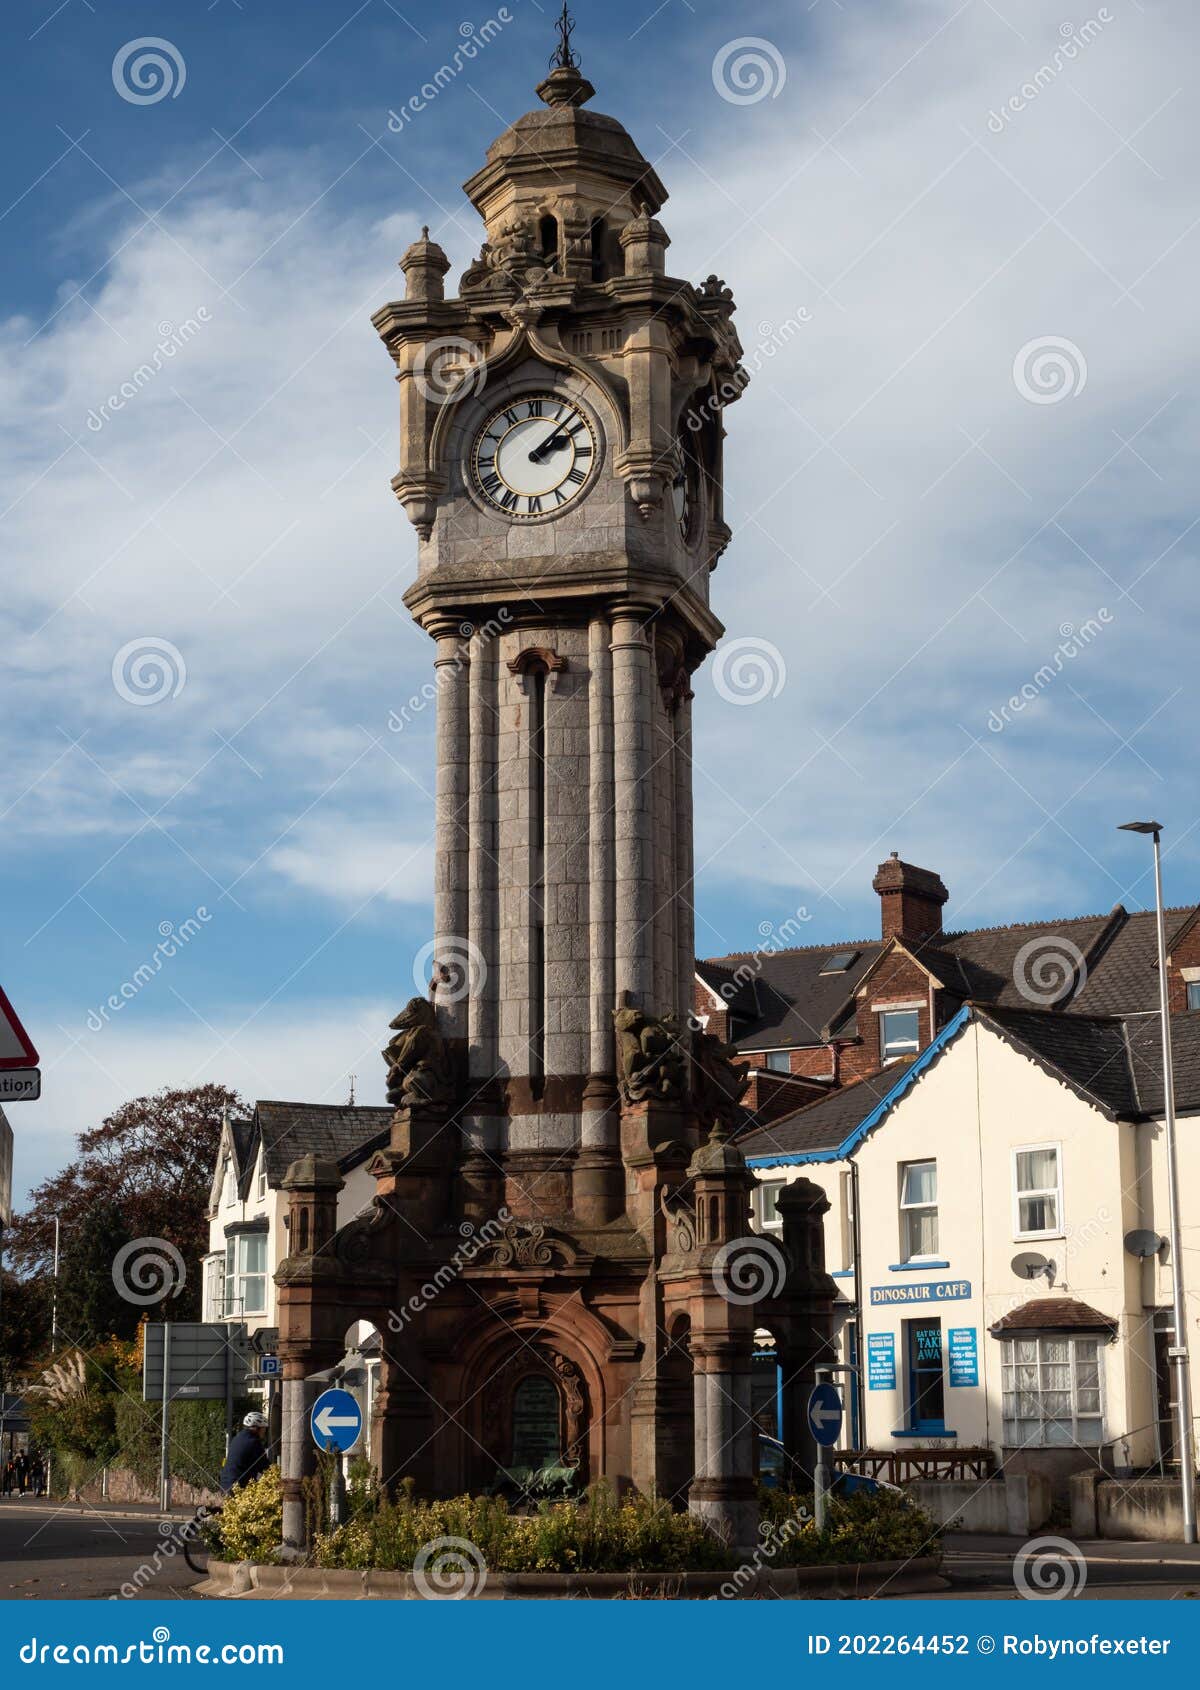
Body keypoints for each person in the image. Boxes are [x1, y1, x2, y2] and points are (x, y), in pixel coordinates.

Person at [219, 1411, 270, 1495]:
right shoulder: (253, 1442)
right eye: (264, 1428)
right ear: (256, 1428)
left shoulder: (237, 1438)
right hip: (238, 1488)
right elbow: (265, 1467)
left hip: (225, 1484)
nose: (264, 1431)